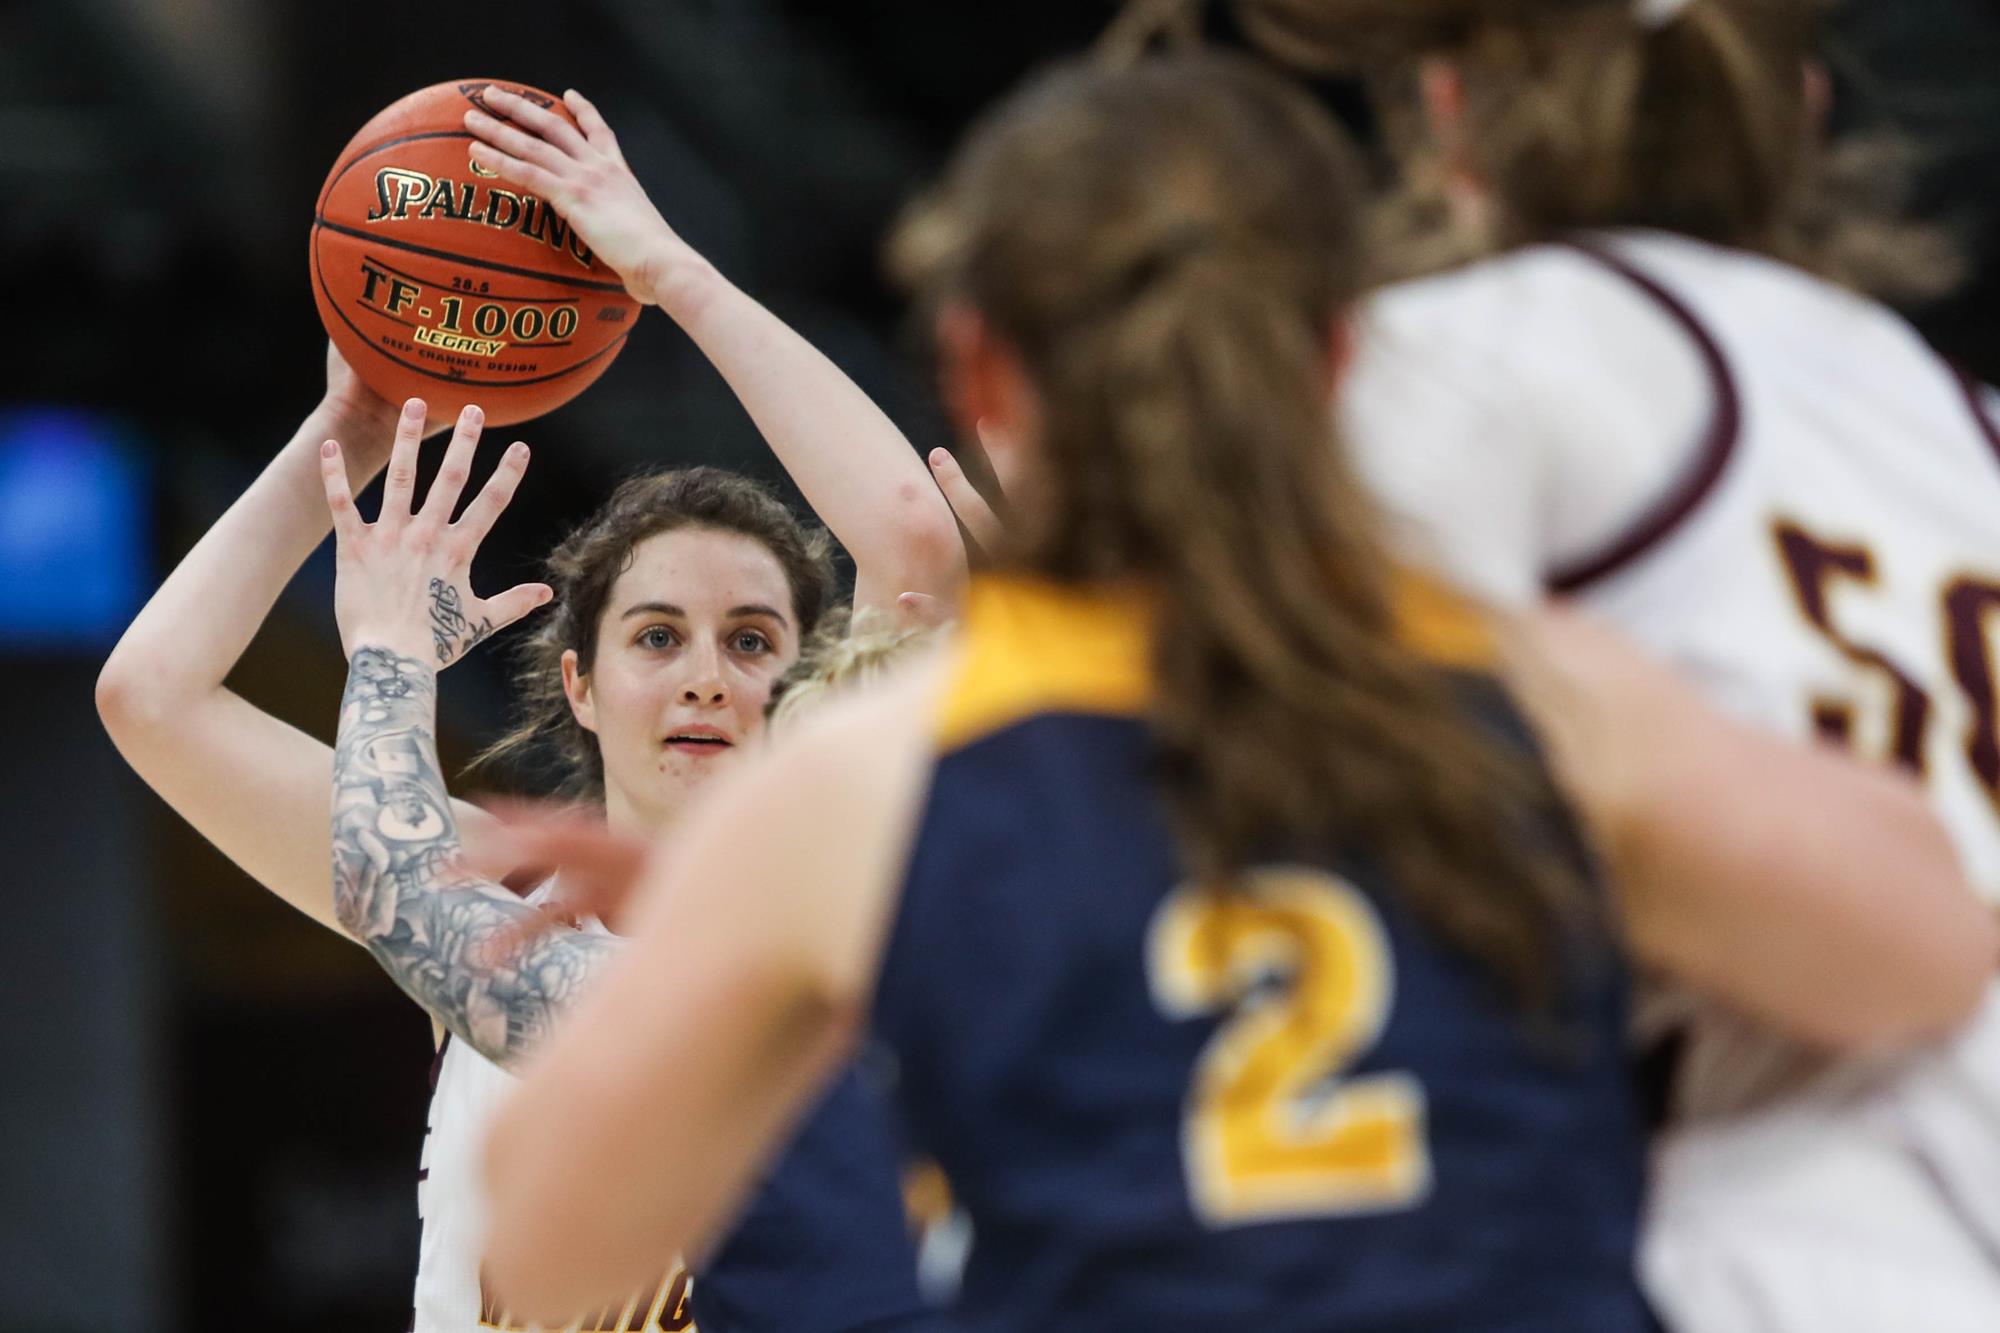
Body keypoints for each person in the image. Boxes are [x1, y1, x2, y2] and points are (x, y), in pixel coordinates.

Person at [468, 55, 1991, 1329]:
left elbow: (545, 1248)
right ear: (1340, 358)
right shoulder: (1528, 690)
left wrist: (801, 984)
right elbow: (1926, 951)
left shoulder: (874, 785)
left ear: (981, 376)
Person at [1177, 0, 2000, 1325]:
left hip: (1734, 1227)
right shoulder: (1960, 426)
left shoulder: (1479, 354)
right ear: (1799, 116)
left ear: (1446, 113)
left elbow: (1325, 803)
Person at [96, 82, 964, 1330]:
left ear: (802, 681)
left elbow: (911, 547)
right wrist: (349, 427)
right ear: (580, 680)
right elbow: (150, 695)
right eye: (656, 635)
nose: (707, 673)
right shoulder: (473, 884)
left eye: (752, 636)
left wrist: (669, 271)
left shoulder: (827, 936)